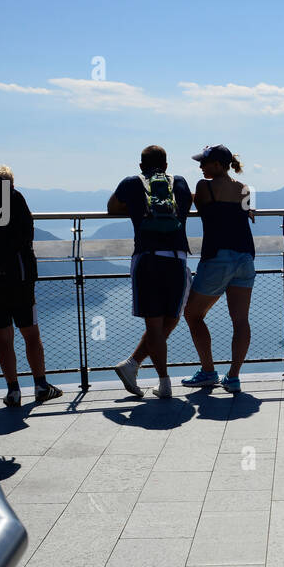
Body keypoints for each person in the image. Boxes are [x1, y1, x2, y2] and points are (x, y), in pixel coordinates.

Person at [108, 146, 193, 399]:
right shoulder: (180, 183)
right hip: (177, 259)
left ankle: (161, 380)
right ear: (166, 165)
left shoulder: (131, 183)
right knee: (173, 317)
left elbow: (112, 207)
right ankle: (133, 365)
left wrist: (136, 209)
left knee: (154, 325)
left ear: (141, 165)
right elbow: (187, 206)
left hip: (146, 259)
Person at [0, 165, 62, 407]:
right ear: (11, 183)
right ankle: (40, 385)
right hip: (21, 279)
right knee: (31, 334)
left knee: (3, 338)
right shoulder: (16, 199)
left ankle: (13, 390)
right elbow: (27, 235)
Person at [179, 145, 256, 393]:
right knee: (241, 320)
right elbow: (245, 213)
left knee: (192, 314)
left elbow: (197, 207)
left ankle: (208, 371)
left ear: (219, 165)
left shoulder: (204, 187)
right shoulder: (245, 189)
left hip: (218, 258)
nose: (201, 167)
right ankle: (233, 377)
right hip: (245, 257)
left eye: (205, 163)